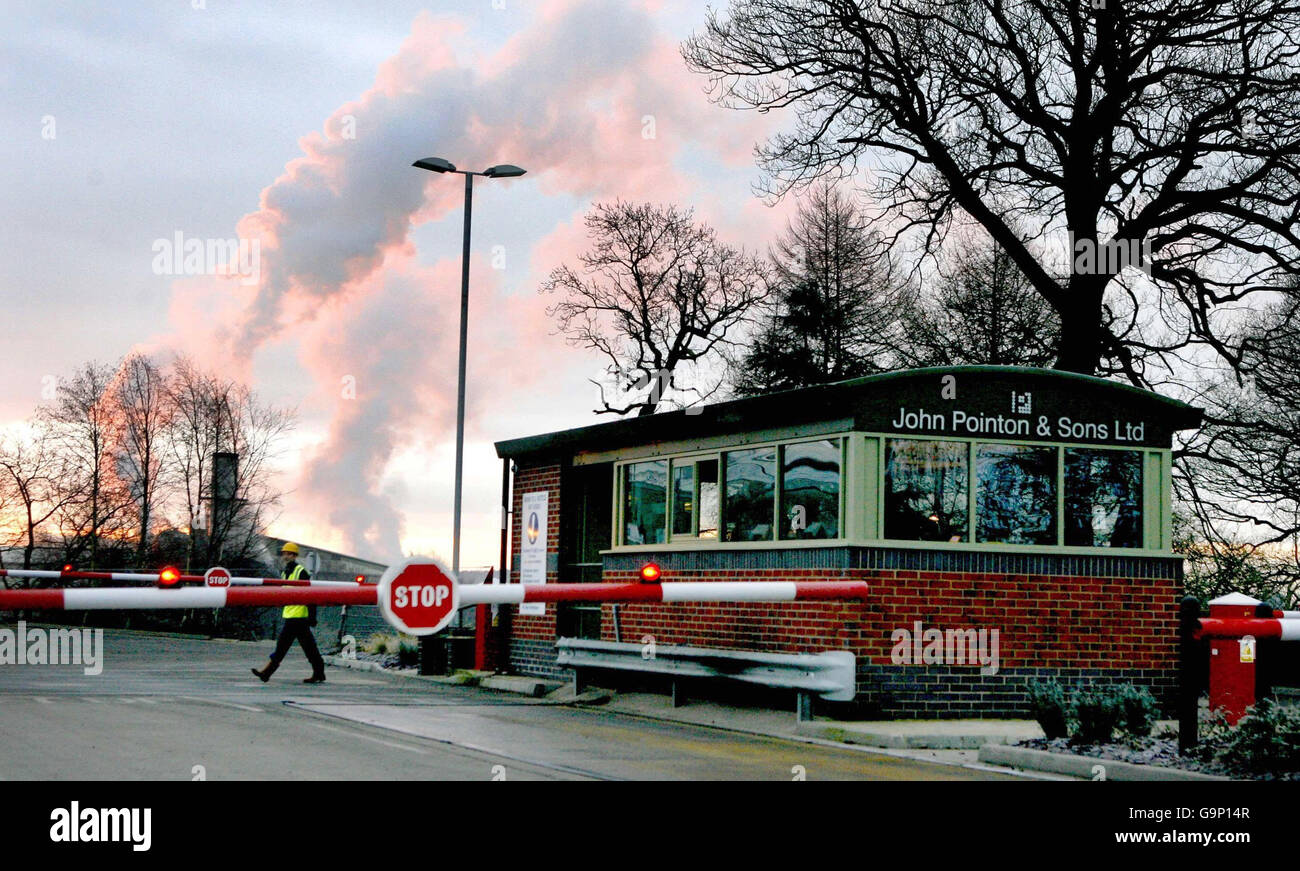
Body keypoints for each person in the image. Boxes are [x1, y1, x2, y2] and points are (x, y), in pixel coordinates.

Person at [251, 543, 326, 684]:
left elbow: (310, 594)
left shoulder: (300, 572)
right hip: (291, 616)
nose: (285, 556)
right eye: (284, 553)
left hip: (299, 617)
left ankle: (266, 673)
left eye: (288, 553)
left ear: (294, 555)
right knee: (309, 648)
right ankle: (319, 672)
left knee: (283, 646)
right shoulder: (285, 573)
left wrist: (312, 616)